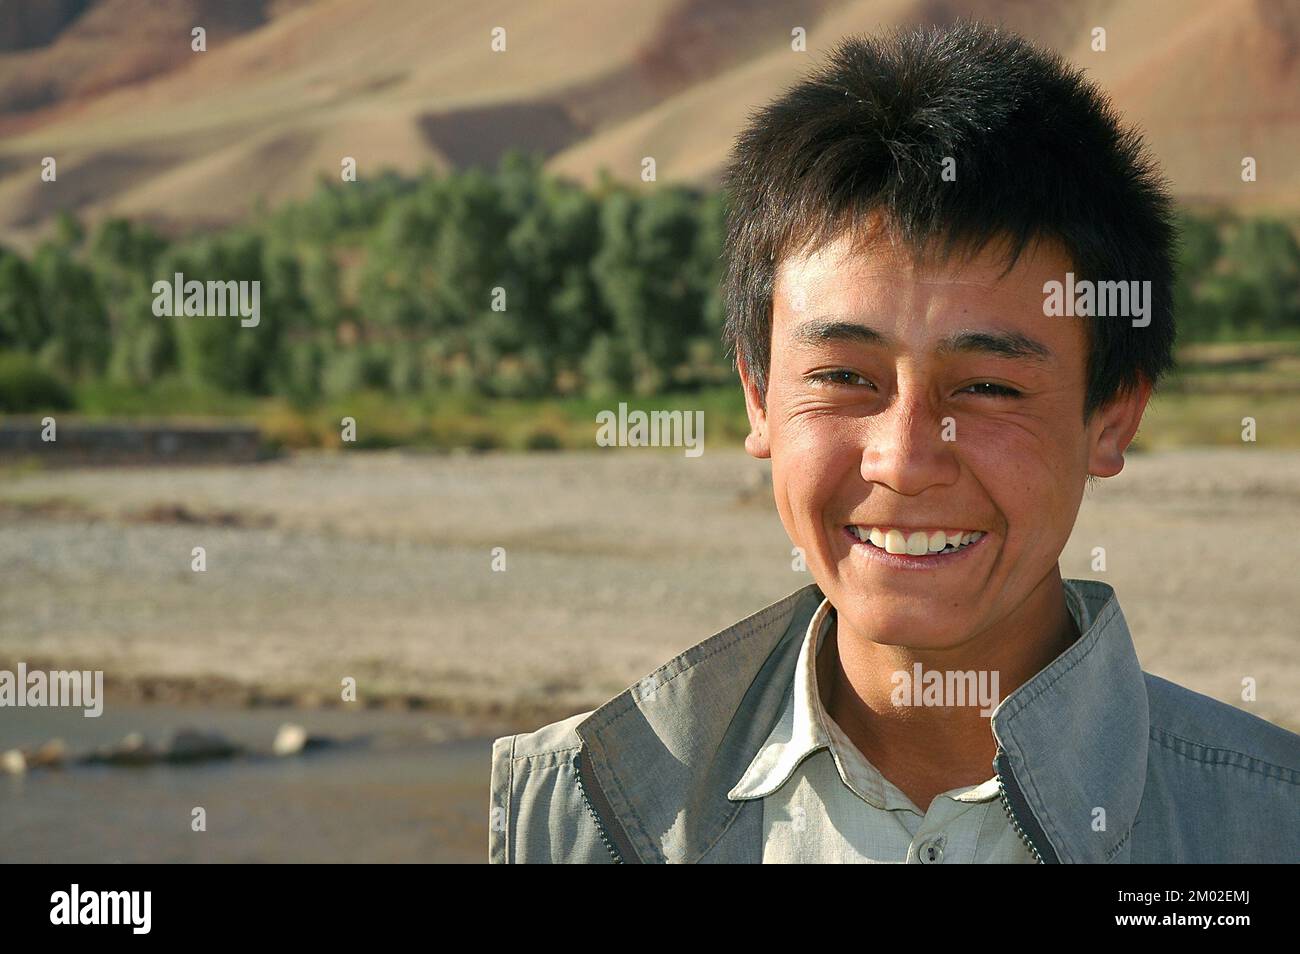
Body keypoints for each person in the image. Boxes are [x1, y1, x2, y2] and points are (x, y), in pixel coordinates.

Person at [488, 21, 1300, 863]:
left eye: (988, 388)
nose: (904, 460)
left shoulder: (1263, 827)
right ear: (759, 397)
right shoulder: (583, 814)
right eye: (845, 379)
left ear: (1113, 415)